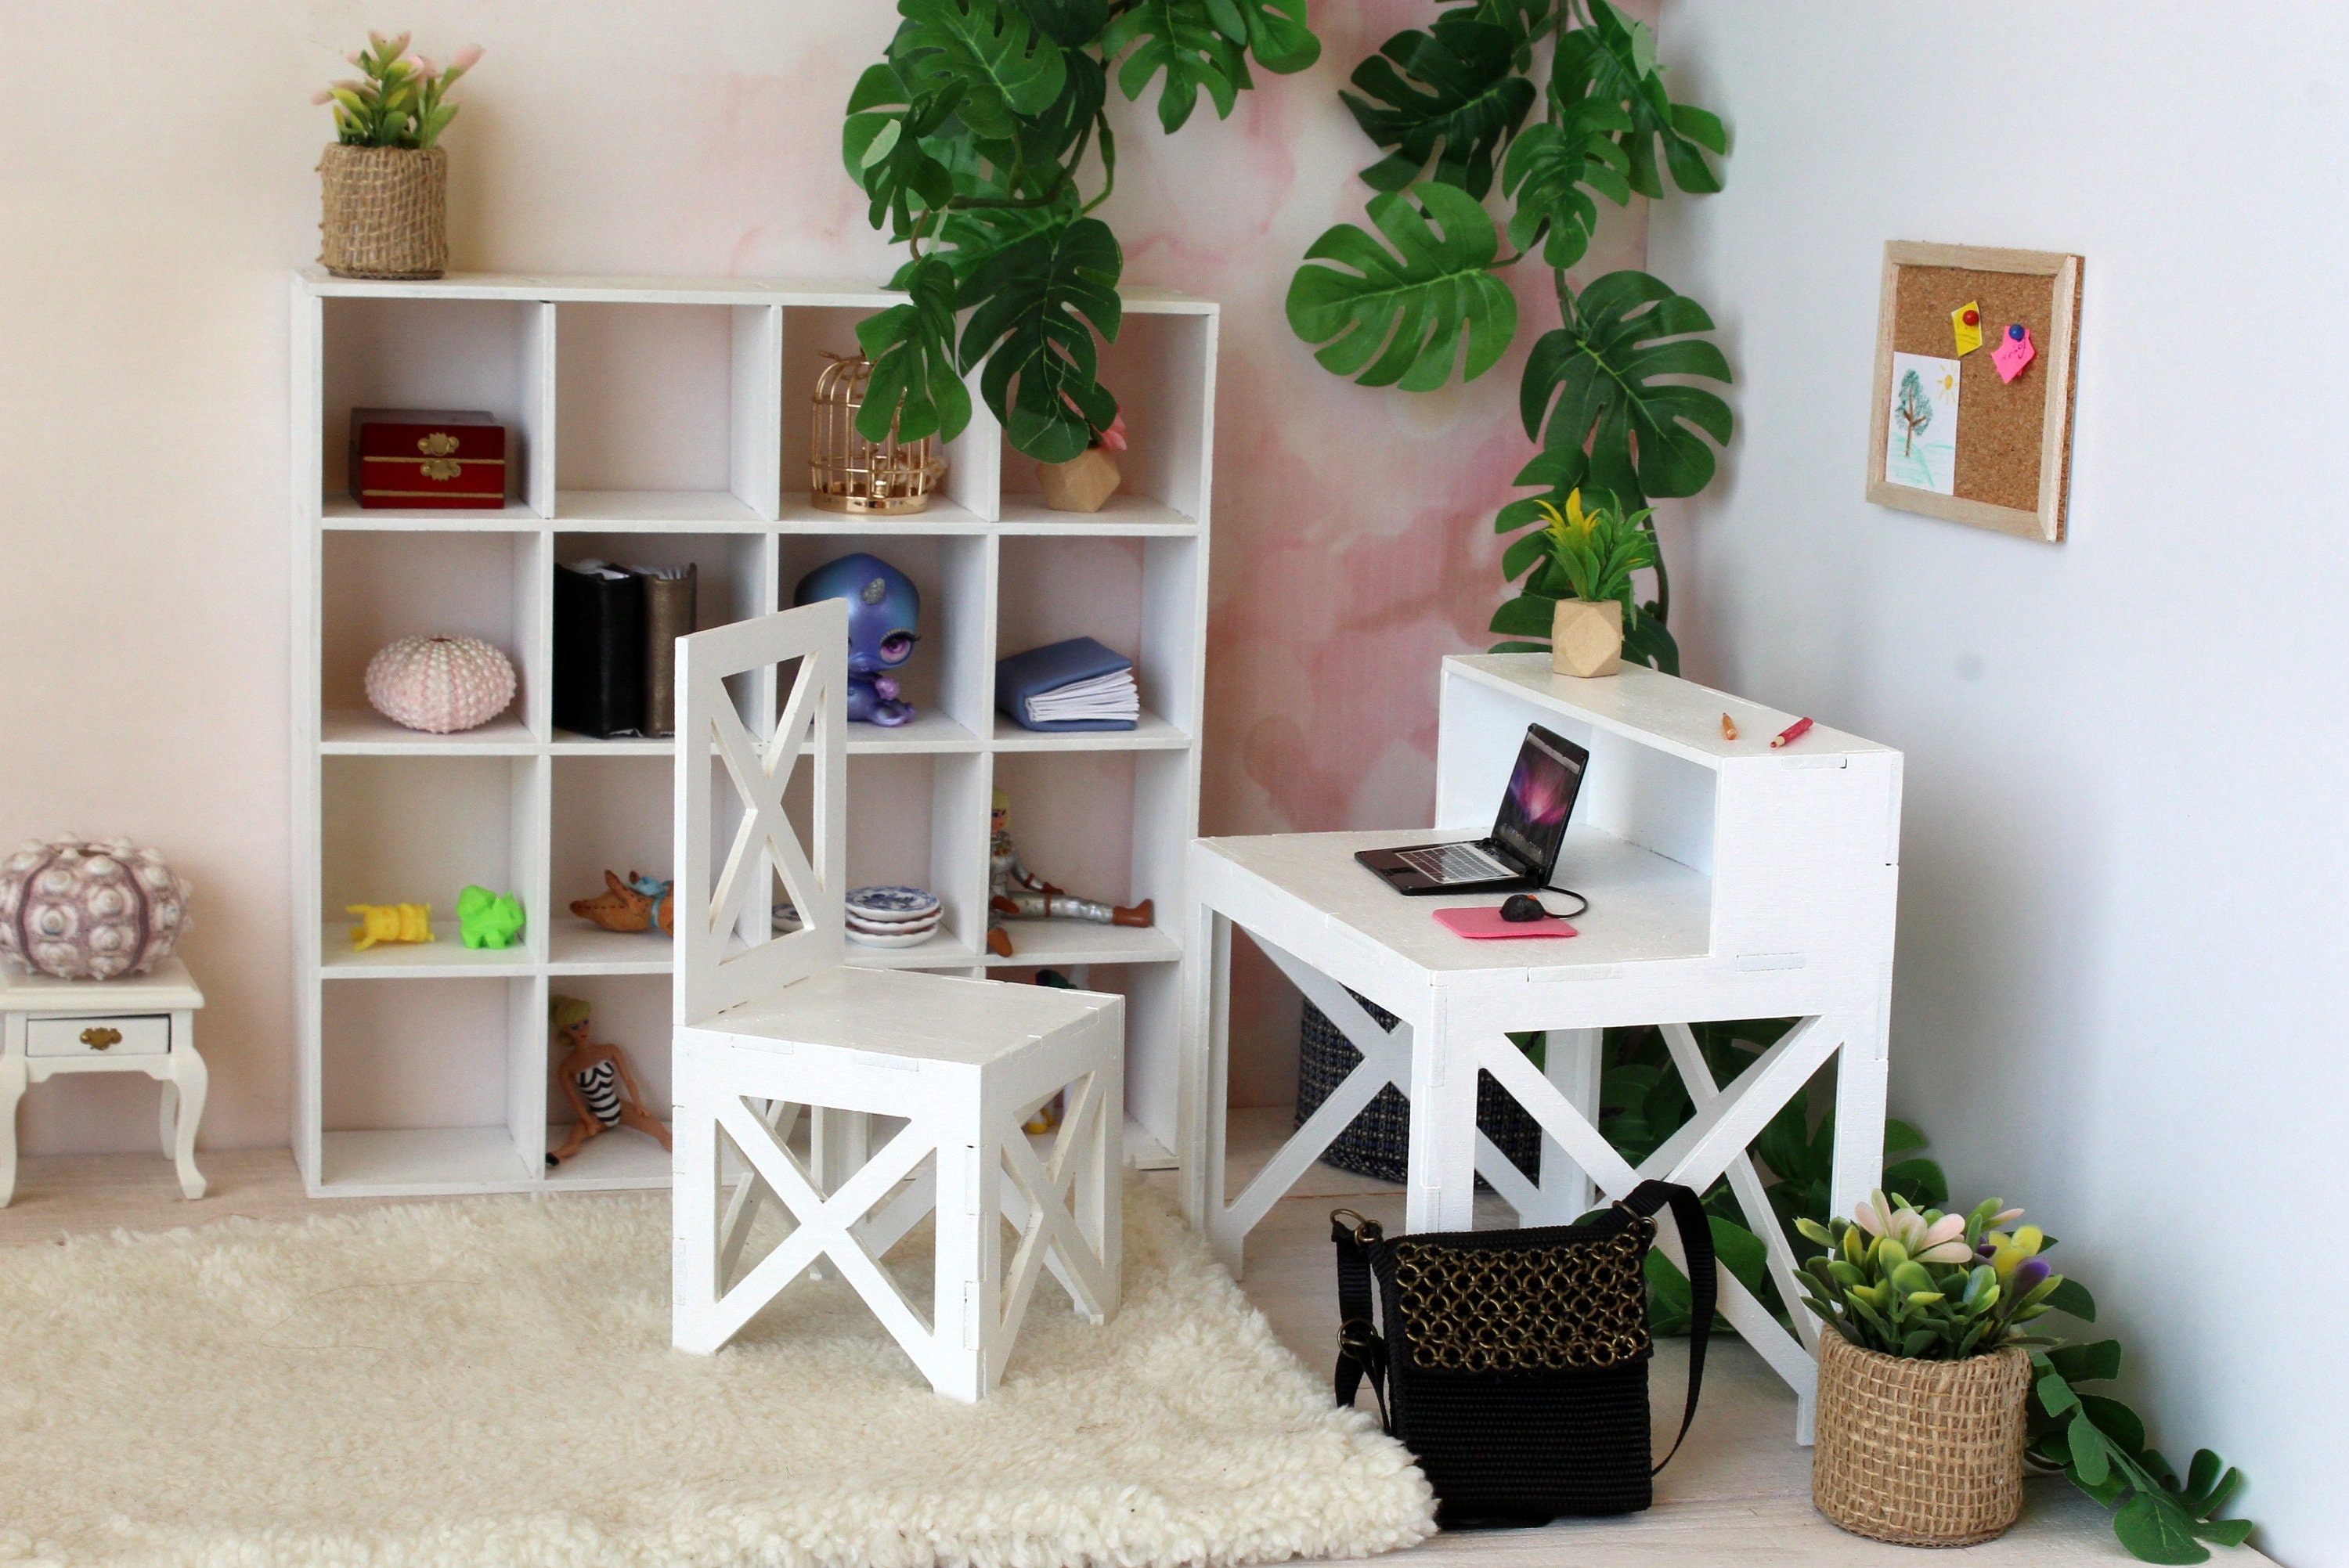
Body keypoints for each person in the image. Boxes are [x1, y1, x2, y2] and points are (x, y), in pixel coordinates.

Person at [546, 994, 671, 1167]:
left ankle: (689, 1156)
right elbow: (575, 1101)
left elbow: (628, 1079)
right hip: (597, 1115)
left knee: (661, 1133)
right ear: (566, 1030)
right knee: (573, 1140)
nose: (582, 1030)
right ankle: (559, 1154)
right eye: (575, 1027)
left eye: (585, 1022)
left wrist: (639, 1104)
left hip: (619, 1108)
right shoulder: (567, 1066)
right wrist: (588, 1121)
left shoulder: (609, 1050)